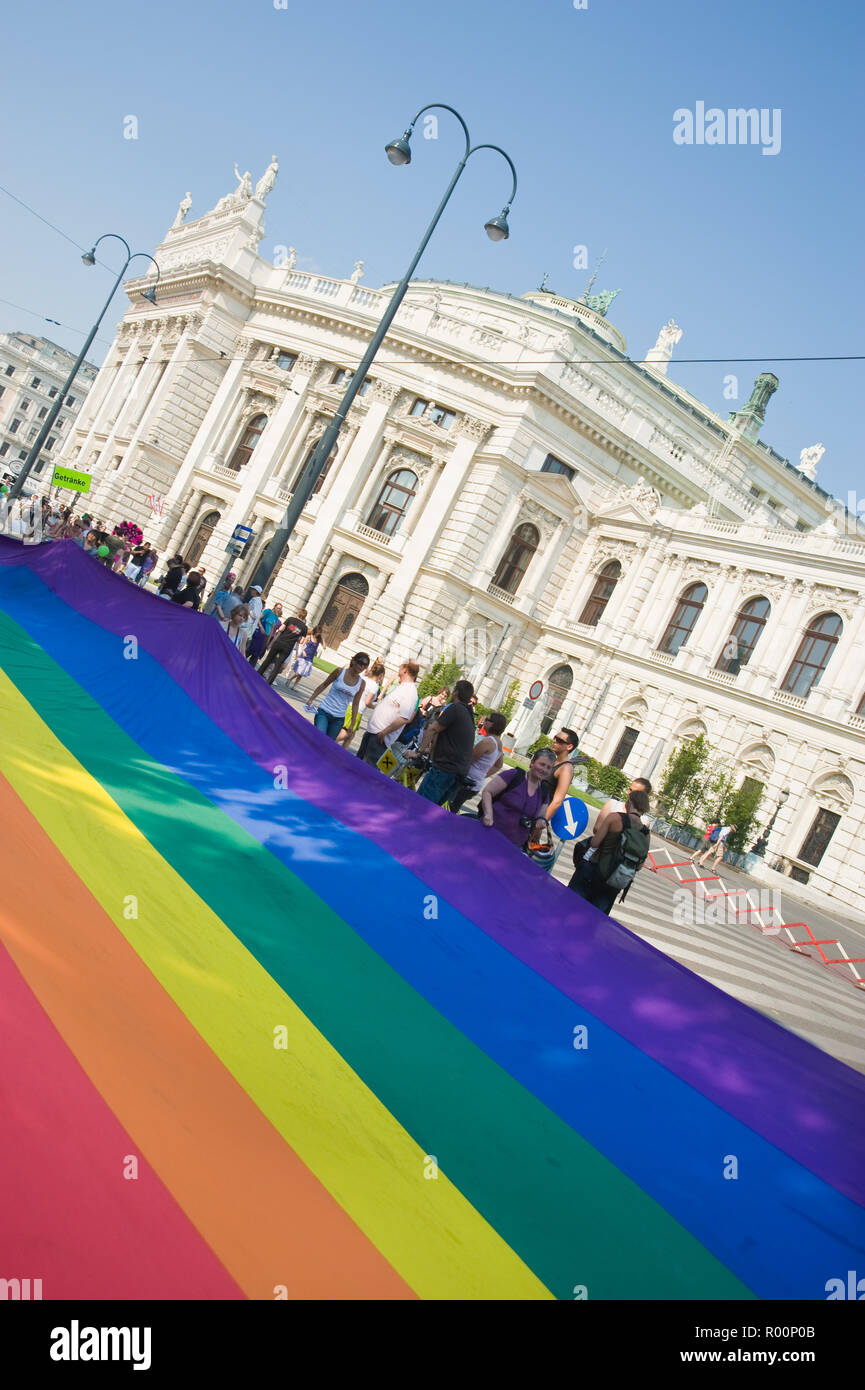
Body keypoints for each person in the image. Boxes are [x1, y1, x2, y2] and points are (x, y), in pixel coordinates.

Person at [569, 789, 651, 915]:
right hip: (614, 880)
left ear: (630, 801)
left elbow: (594, 843)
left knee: (568, 908)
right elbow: (639, 865)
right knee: (593, 919)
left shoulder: (615, 818)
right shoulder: (645, 832)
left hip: (592, 871)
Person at [479, 748, 556, 850]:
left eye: (548, 767)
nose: (544, 770)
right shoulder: (514, 775)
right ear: (532, 763)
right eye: (542, 764)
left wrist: (541, 821)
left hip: (514, 846)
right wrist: (488, 814)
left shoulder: (544, 791)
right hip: (489, 832)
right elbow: (488, 791)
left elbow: (541, 815)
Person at [414, 679, 476, 806]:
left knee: (421, 805)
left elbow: (432, 729)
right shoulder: (468, 714)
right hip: (458, 772)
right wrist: (429, 750)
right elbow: (447, 738)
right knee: (434, 810)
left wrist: (418, 752)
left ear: (455, 693)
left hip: (445, 770)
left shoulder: (455, 708)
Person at [357, 660, 421, 765]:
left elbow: (403, 718)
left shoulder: (410, 692)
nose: (398, 669)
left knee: (366, 767)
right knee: (358, 763)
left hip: (380, 736)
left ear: (405, 670)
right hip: (374, 732)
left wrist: (384, 732)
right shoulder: (403, 687)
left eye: (400, 667)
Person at [449, 711, 506, 813]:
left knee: (449, 807)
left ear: (494, 724)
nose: (485, 722)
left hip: (466, 781)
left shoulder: (487, 742)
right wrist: (483, 774)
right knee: (454, 807)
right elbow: (499, 765)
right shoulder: (499, 742)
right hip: (476, 783)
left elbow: (468, 760)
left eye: (488, 720)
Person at [305, 653, 370, 739]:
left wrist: (352, 723)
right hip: (324, 711)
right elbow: (324, 684)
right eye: (360, 663)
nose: (361, 667)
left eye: (365, 665)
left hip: (339, 718)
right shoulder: (339, 672)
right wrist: (311, 699)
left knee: (327, 744)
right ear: (353, 661)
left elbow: (355, 704)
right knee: (319, 737)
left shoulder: (361, 683)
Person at [339, 659, 385, 746]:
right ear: (381, 675)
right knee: (346, 733)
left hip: (348, 706)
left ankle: (341, 755)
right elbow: (367, 702)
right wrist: (375, 707)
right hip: (358, 711)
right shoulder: (374, 686)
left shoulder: (363, 679)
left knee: (351, 736)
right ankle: (329, 742)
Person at [258, 608, 308, 685]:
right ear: (304, 617)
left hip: (280, 642)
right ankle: (269, 682)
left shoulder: (290, 619)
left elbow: (281, 629)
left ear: (298, 614)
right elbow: (300, 641)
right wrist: (296, 634)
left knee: (268, 659)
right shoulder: (304, 627)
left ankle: (258, 674)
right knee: (278, 665)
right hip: (288, 647)